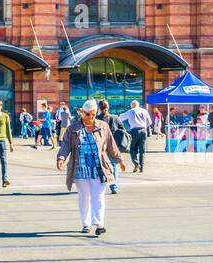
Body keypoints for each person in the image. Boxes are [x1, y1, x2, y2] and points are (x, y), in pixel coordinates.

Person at [56, 100, 125, 235]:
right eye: (88, 114)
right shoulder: (73, 128)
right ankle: (86, 224)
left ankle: (99, 224)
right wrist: (61, 157)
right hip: (80, 169)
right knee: (84, 197)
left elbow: (111, 145)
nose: (91, 117)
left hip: (99, 169)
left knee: (98, 196)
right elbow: (65, 144)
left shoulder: (103, 126)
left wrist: (119, 159)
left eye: (93, 114)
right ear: (82, 113)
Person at [96, 100, 123, 194]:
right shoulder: (115, 118)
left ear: (99, 108)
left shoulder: (96, 119)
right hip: (113, 145)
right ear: (108, 107)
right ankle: (113, 186)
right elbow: (122, 130)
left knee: (100, 165)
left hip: (100, 146)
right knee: (113, 165)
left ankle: (101, 185)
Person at [120, 99, 150, 172]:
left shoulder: (131, 111)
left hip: (134, 131)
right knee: (142, 149)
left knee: (133, 148)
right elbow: (150, 122)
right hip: (143, 130)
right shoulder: (144, 111)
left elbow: (121, 118)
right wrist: (144, 127)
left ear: (131, 106)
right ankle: (141, 166)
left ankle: (136, 163)